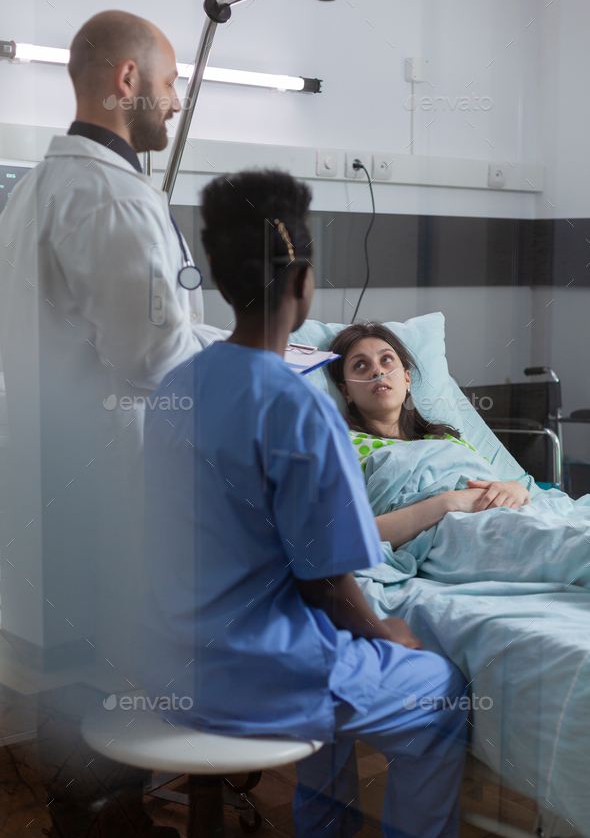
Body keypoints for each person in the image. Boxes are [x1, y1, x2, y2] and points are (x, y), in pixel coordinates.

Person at [138, 170, 468, 838]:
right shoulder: (297, 404)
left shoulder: (177, 385)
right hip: (260, 672)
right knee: (442, 690)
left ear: (222, 281)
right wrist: (384, 632)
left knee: (340, 669)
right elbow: (324, 579)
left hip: (171, 658)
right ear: (304, 280)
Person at [0, 10, 223, 837]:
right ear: (126, 81)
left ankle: (98, 817)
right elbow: (152, 360)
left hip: (45, 474)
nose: (173, 101)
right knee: (114, 687)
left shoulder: (33, 189)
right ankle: (107, 820)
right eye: (169, 84)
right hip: (107, 482)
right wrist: (254, 363)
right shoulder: (115, 195)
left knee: (77, 692)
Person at [327, 323, 590, 591]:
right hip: (454, 537)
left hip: (508, 515)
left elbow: (494, 485)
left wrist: (515, 488)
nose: (378, 370)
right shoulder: (339, 446)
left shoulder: (446, 439)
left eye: (386, 359)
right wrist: (450, 502)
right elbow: (346, 538)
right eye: (360, 365)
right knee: (567, 546)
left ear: (406, 378)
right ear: (345, 391)